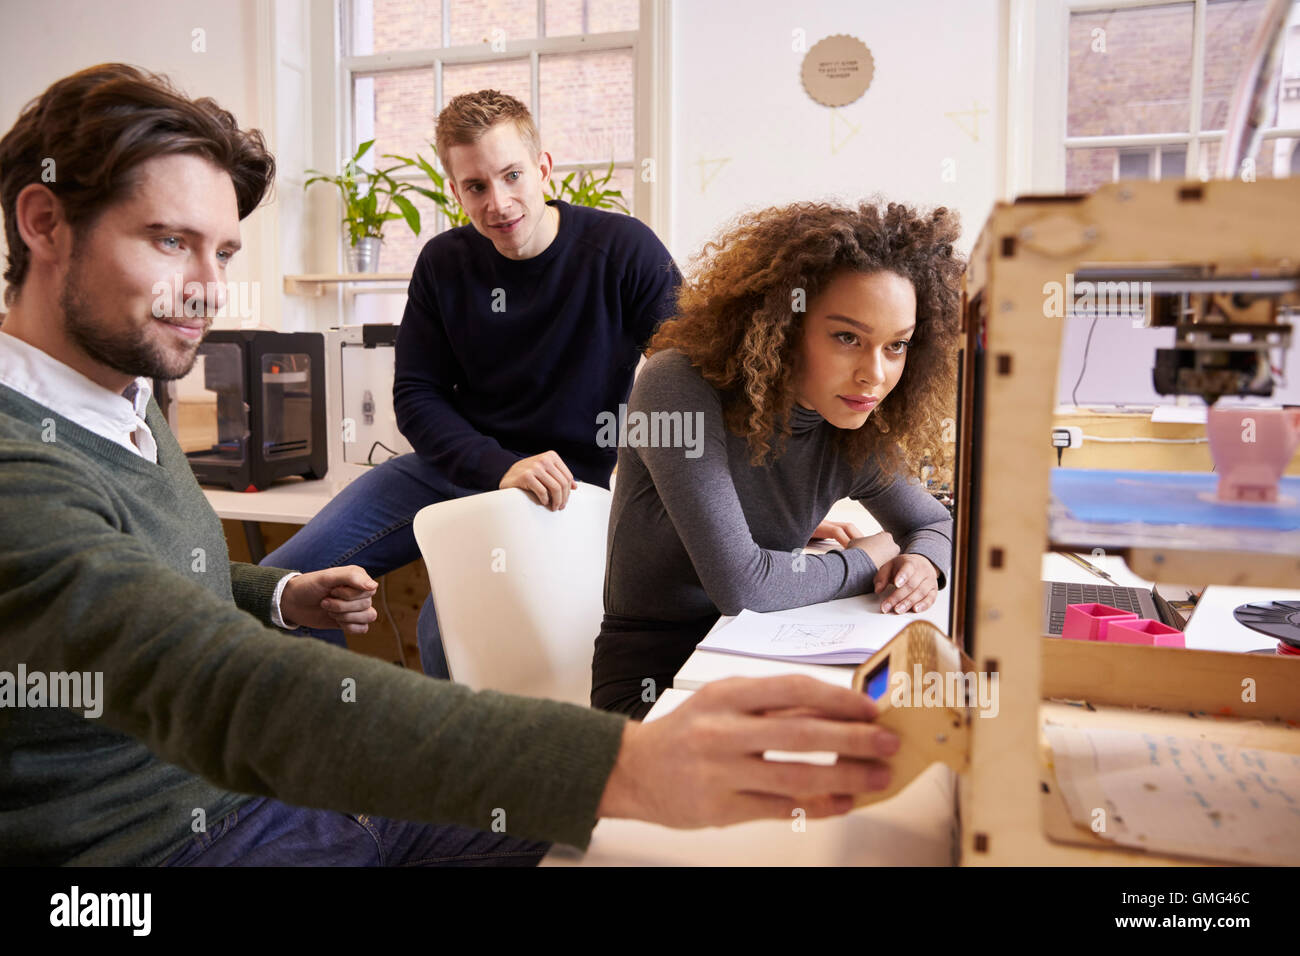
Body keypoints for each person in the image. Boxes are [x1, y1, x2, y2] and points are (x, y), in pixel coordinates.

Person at [0, 63, 901, 867]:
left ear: (544, 169)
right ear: (42, 223)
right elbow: (219, 679)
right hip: (173, 836)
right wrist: (624, 764)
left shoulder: (125, 397)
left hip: (569, 490)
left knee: (569, 821)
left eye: (223, 251)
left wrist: (273, 599)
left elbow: (708, 382)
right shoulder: (24, 470)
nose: (207, 288)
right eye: (169, 241)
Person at [261, 89, 682, 678]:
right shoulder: (442, 263)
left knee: (451, 637)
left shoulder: (621, 250)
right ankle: (334, 742)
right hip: (449, 467)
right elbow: (415, 396)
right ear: (455, 189)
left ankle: (459, 765)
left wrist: (741, 500)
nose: (499, 202)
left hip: (553, 489)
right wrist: (494, 464)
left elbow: (693, 379)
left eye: (512, 176)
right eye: (476, 186)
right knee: (275, 590)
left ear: (543, 168)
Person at [591, 200, 961, 718]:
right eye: (847, 337)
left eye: (896, 345)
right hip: (659, 682)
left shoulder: (849, 424)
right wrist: (871, 557)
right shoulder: (678, 385)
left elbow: (937, 521)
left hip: (765, 659)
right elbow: (745, 589)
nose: (874, 374)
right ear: (786, 323)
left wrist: (922, 562)